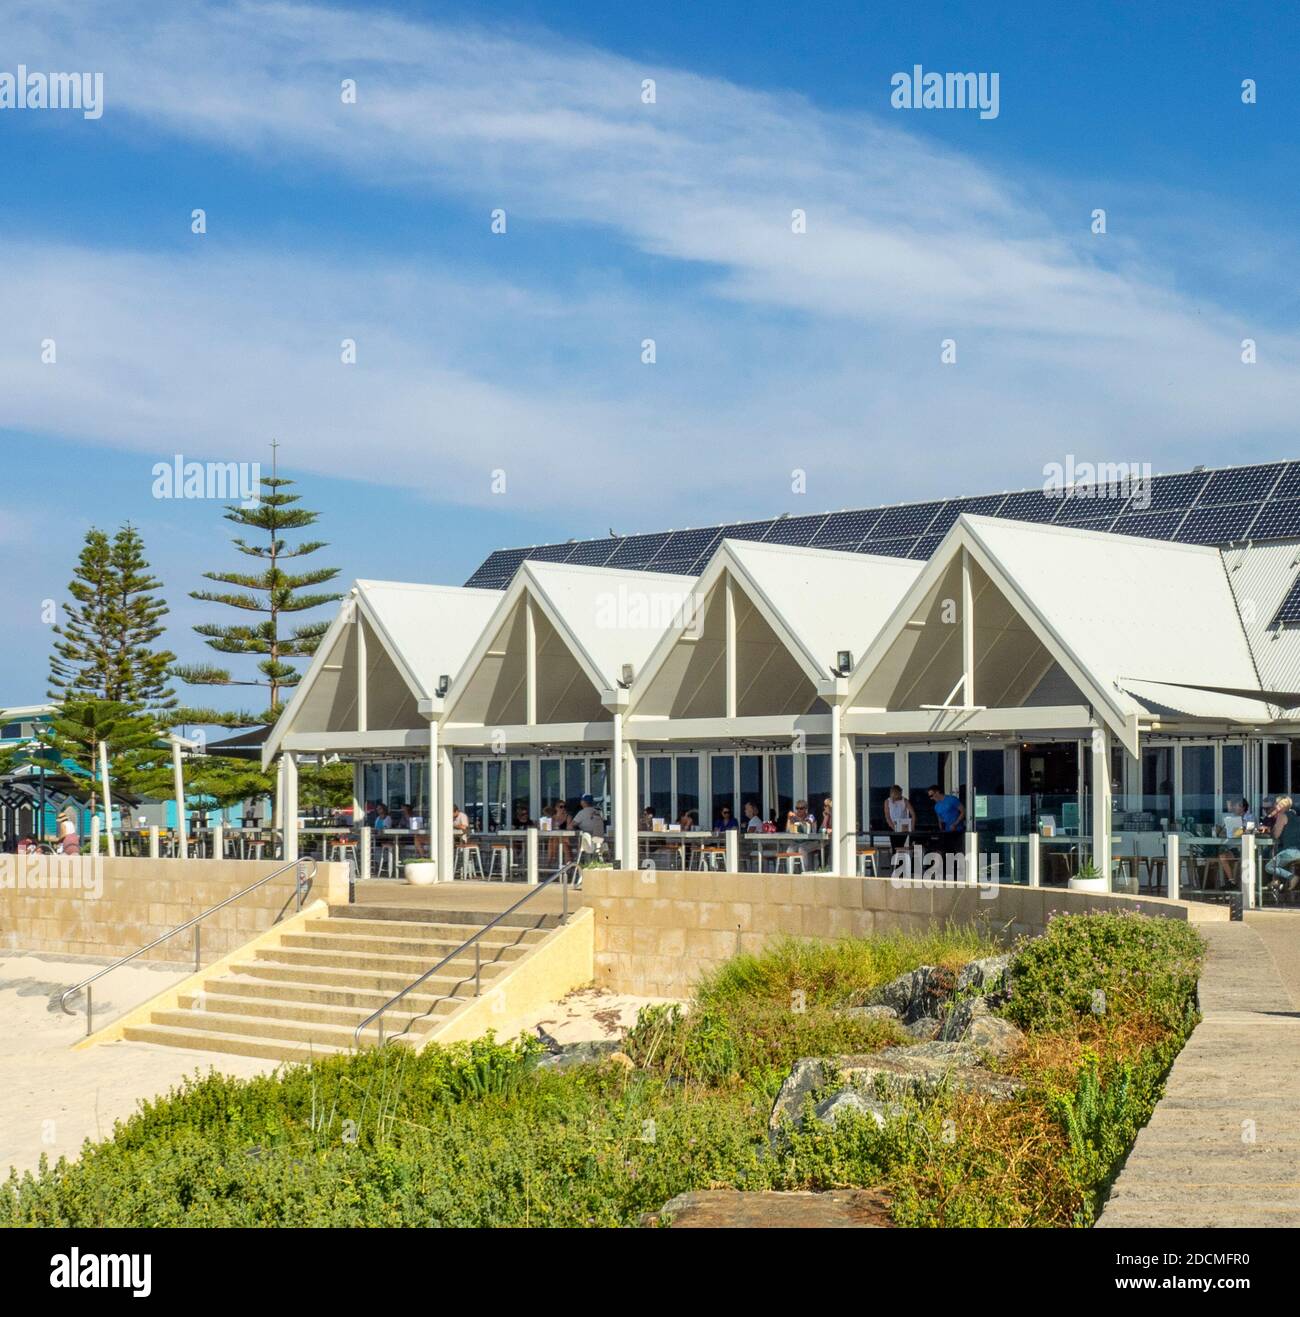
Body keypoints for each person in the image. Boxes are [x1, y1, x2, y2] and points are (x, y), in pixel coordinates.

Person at [1266, 794, 1300, 899]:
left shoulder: (1282, 816)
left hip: (1290, 851)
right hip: (1297, 850)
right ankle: (1277, 883)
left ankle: (1292, 877)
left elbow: (1276, 834)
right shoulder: (1295, 816)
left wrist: (1269, 830)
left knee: (1269, 866)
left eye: (1276, 804)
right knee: (1274, 857)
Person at [1216, 798, 1253, 889]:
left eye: (1235, 806)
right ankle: (1231, 881)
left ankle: (1236, 884)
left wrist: (1236, 831)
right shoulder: (1231, 818)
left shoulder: (1250, 817)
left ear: (1242, 807)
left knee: (1226, 857)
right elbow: (1224, 833)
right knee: (1222, 856)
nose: (1233, 808)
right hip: (1234, 848)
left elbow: (1249, 831)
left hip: (1246, 848)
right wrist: (1221, 831)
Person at [928, 785, 965, 856]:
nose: (931, 798)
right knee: (948, 852)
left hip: (957, 831)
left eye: (932, 795)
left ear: (937, 792)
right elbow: (940, 819)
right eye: (930, 797)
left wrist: (955, 824)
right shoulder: (936, 806)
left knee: (958, 851)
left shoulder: (951, 799)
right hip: (946, 832)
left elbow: (963, 811)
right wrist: (941, 829)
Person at [884, 785, 916, 851]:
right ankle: (895, 859)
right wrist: (893, 826)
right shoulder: (887, 801)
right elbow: (887, 816)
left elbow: (913, 814)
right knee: (894, 846)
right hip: (892, 826)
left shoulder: (905, 801)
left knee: (900, 845)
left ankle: (900, 860)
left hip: (903, 826)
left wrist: (912, 826)